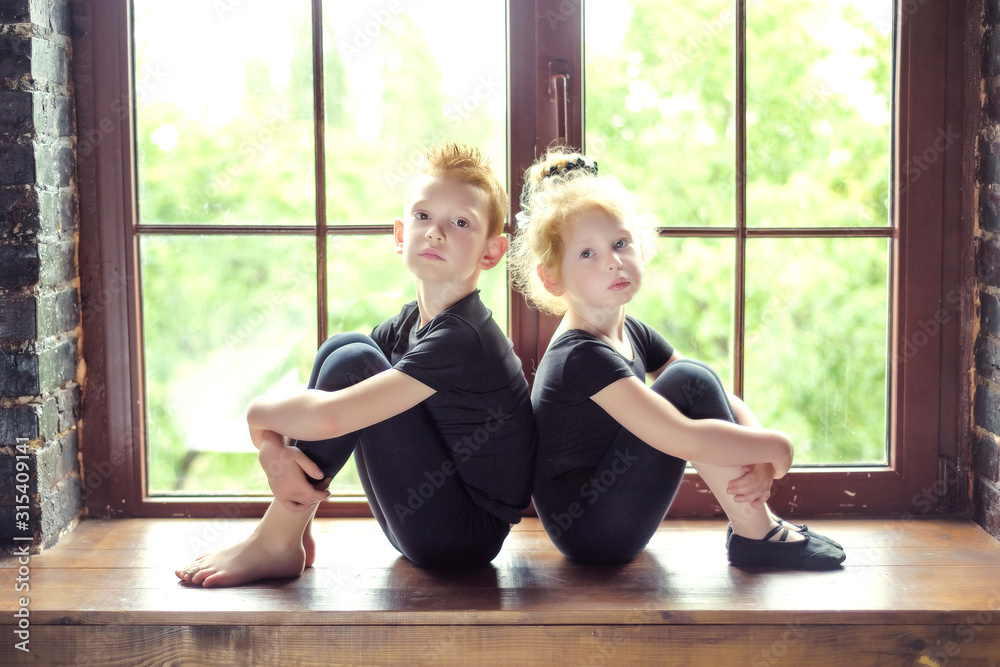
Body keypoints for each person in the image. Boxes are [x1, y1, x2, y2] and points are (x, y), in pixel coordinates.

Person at [176, 143, 536, 587]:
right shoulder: (412, 321)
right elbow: (335, 387)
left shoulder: (465, 338)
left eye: (460, 223)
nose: (435, 232)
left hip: (461, 536)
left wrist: (258, 416)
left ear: (491, 252)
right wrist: (274, 446)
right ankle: (293, 530)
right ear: (400, 235)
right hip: (423, 521)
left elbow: (332, 416)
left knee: (354, 361)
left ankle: (276, 538)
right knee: (344, 346)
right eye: (423, 216)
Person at [508, 147, 845, 569]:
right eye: (587, 254)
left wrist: (759, 444)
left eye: (620, 243)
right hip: (591, 530)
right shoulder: (580, 356)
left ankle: (758, 527)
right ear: (552, 277)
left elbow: (712, 392)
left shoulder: (630, 330)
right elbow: (682, 436)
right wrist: (776, 445)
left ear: (641, 245)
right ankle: (757, 534)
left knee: (692, 375)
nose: (613, 262)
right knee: (687, 380)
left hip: (614, 513)